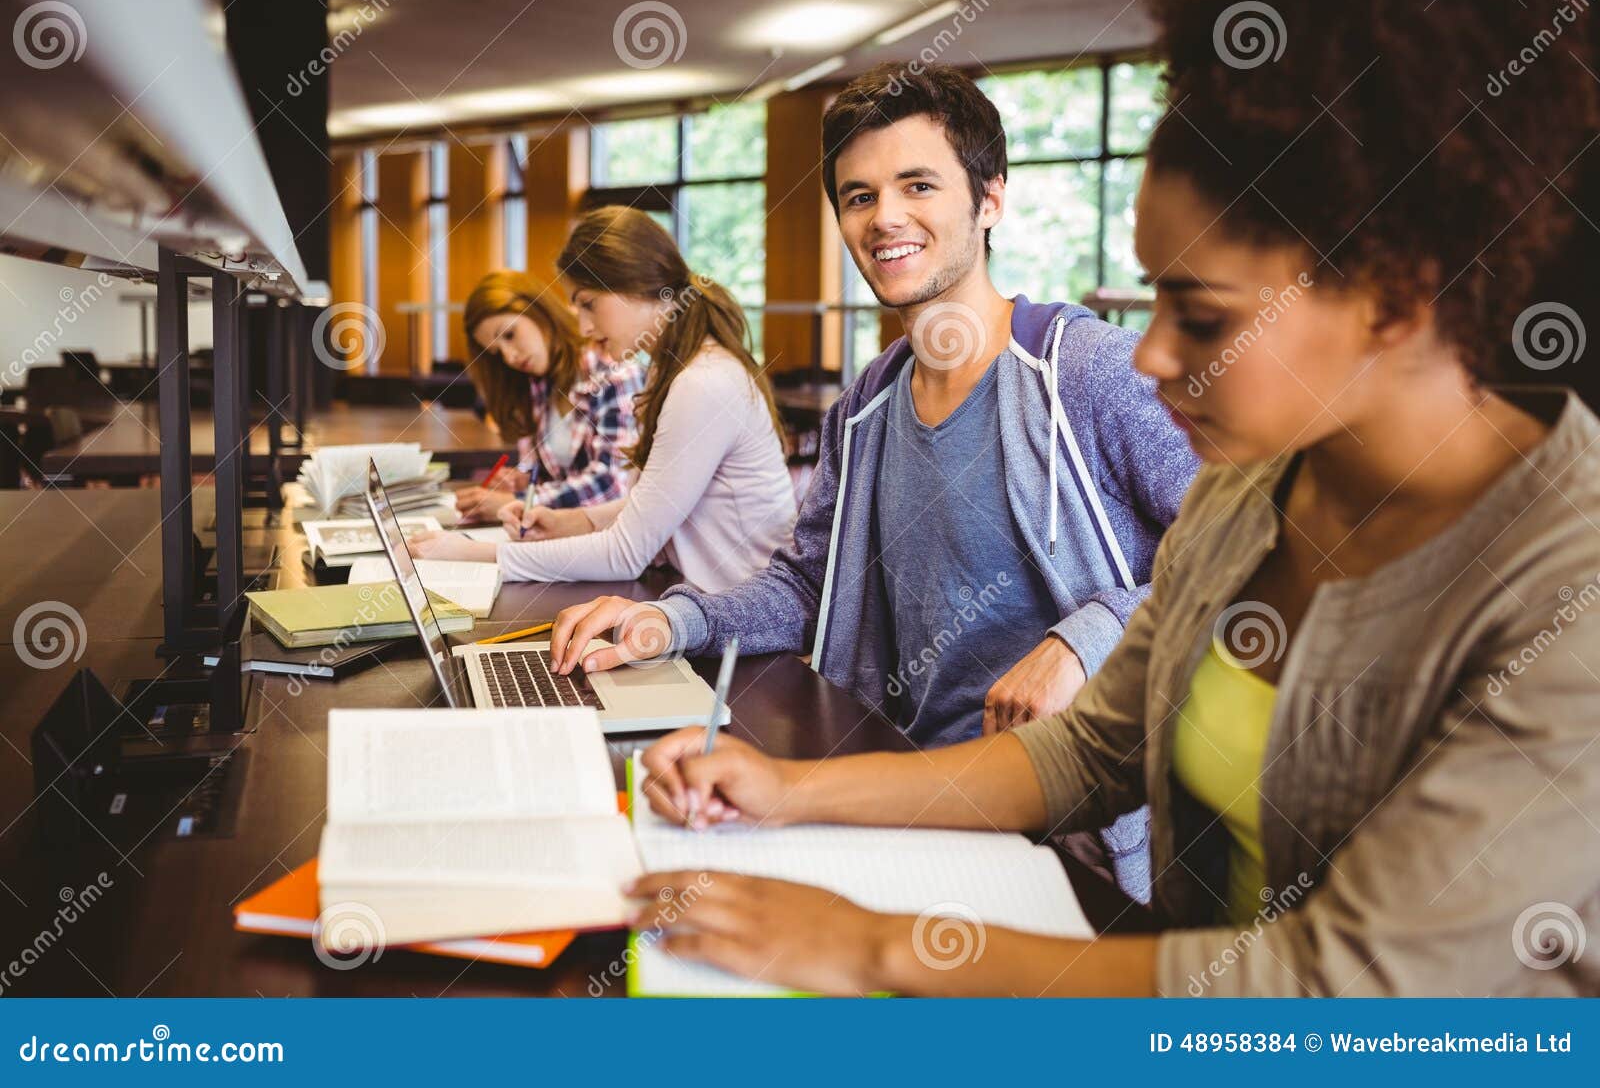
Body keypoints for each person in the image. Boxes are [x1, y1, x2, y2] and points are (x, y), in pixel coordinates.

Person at [624, 0, 1600, 996]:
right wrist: (782, 790)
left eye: (1198, 313)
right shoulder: (1247, 495)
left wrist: (871, 944)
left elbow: (1342, 991)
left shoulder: (1562, 587)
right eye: (1151, 297)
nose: (1149, 354)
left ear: (1396, 293)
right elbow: (1085, 753)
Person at [552, 64, 1198, 900]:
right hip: (906, 791)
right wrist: (670, 621)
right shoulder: (867, 405)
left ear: (990, 199)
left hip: (1069, 841)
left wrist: (1091, 633)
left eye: (917, 184)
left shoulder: (1089, 370)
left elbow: (1253, 548)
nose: (885, 216)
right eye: (858, 196)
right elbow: (806, 587)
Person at [410, 207, 796, 594]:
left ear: (635, 281)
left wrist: (474, 554)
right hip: (705, 602)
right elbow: (652, 506)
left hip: (745, 621)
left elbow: (625, 553)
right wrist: (572, 522)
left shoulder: (703, 382)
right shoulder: (675, 370)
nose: (584, 327)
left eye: (588, 303)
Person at [451, 270, 643, 525]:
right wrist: (525, 480)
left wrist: (524, 499)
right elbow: (567, 474)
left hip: (618, 547)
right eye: (497, 353)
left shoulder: (615, 372)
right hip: (567, 538)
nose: (510, 357)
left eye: (509, 335)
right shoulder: (540, 384)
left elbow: (612, 485)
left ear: (538, 310)